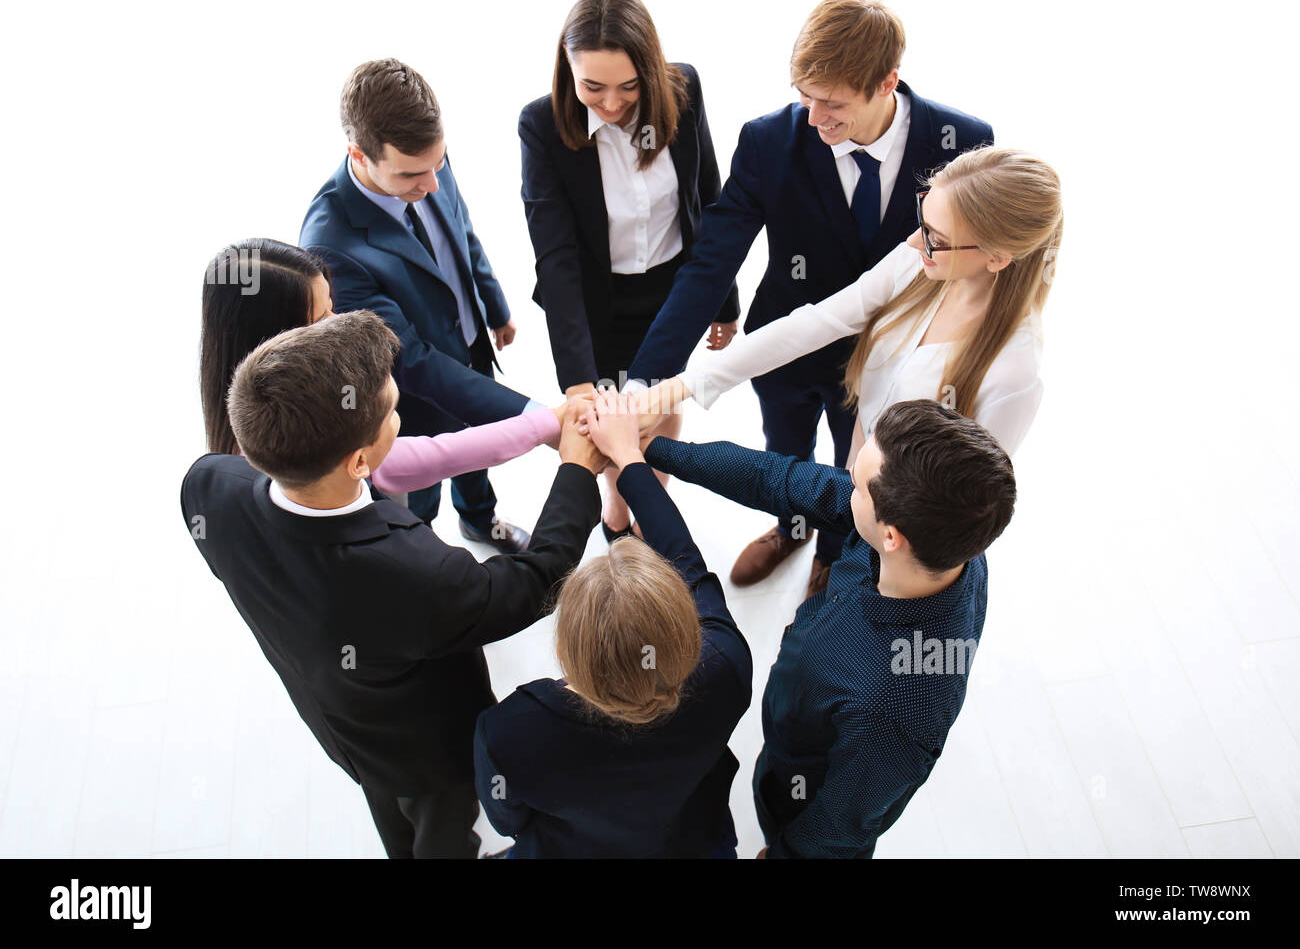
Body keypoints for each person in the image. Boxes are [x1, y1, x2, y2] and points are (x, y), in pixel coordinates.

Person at [180, 310, 604, 858]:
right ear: (359, 461)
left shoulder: (207, 485)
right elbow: (533, 582)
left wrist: (542, 423)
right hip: (427, 751)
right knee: (441, 829)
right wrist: (577, 469)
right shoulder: (411, 573)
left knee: (389, 810)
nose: (401, 418)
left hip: (340, 722)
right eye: (393, 411)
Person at [621, 0, 994, 598]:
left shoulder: (964, 144)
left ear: (886, 83)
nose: (814, 117)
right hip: (784, 347)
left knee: (860, 472)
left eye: (833, 104)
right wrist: (645, 381)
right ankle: (790, 530)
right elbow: (711, 263)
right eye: (805, 97)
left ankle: (832, 553)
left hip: (887, 361)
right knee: (784, 450)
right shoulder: (770, 141)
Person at [637, 399, 1017, 858]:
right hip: (797, 721)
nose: (844, 482)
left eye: (855, 483)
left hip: (800, 789)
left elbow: (840, 825)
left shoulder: (894, 709)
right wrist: (651, 449)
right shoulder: (940, 541)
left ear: (892, 536)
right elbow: (777, 479)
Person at [633, 146, 1062, 472]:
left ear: (997, 257)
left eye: (936, 237)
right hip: (853, 480)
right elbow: (813, 324)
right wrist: (675, 389)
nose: (914, 241)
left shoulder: (1013, 374)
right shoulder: (915, 265)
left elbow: (969, 506)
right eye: (922, 219)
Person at [473, 389, 752, 857]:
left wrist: (594, 464)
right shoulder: (726, 665)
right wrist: (629, 458)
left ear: (565, 652)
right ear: (686, 625)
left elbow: (508, 820)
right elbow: (688, 560)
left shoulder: (511, 731)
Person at [519, 0, 741, 542]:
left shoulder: (684, 88)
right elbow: (555, 256)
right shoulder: (541, 125)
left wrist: (724, 300)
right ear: (567, 67)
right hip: (595, 301)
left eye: (629, 86)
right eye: (593, 87)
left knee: (659, 408)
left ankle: (643, 518)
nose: (612, 104)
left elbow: (708, 197)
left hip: (673, 292)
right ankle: (616, 516)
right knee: (611, 417)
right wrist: (576, 381)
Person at [301, 58, 536, 553]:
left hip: (469, 345)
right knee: (421, 493)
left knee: (475, 456)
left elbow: (462, 233)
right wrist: (535, 416)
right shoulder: (330, 243)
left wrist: (494, 307)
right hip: (415, 394)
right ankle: (425, 550)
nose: (431, 183)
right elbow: (408, 359)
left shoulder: (425, 160)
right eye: (412, 174)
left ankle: (479, 520)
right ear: (359, 154)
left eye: (438, 163)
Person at [200, 238, 573, 498]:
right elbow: (431, 457)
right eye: (320, 318)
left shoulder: (220, 467)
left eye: (333, 307)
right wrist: (549, 423)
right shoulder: (300, 438)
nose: (338, 323)